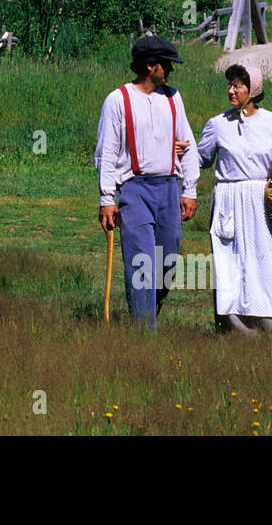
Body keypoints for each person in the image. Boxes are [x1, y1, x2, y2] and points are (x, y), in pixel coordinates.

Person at [198, 64, 272, 342]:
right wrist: (181, 150)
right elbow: (200, 160)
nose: (231, 90)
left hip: (265, 202)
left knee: (269, 262)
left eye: (238, 85)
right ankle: (237, 332)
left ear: (254, 90)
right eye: (229, 84)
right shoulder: (218, 125)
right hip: (229, 201)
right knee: (232, 264)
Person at [95, 35, 199, 329]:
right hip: (134, 190)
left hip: (169, 189)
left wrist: (189, 189)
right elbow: (107, 153)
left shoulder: (173, 97)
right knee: (142, 264)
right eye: (167, 65)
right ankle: (144, 334)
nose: (171, 70)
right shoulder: (118, 100)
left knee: (167, 265)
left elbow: (187, 144)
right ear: (150, 65)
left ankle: (146, 313)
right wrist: (107, 199)